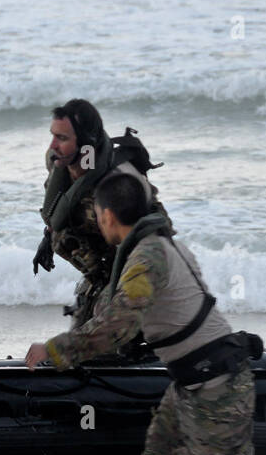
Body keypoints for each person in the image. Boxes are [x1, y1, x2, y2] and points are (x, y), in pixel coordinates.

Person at [26, 171, 266, 455]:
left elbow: (118, 327)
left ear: (107, 216)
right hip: (191, 384)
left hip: (216, 386)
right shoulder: (159, 244)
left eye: (98, 216)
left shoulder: (148, 257)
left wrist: (54, 350)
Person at [33, 99, 173, 329]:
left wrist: (130, 290)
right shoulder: (59, 162)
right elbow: (61, 208)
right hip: (102, 268)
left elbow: (161, 235)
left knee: (101, 329)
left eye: (63, 138)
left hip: (136, 269)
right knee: (81, 327)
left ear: (87, 144)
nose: (53, 145)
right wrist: (48, 237)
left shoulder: (119, 182)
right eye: (53, 135)